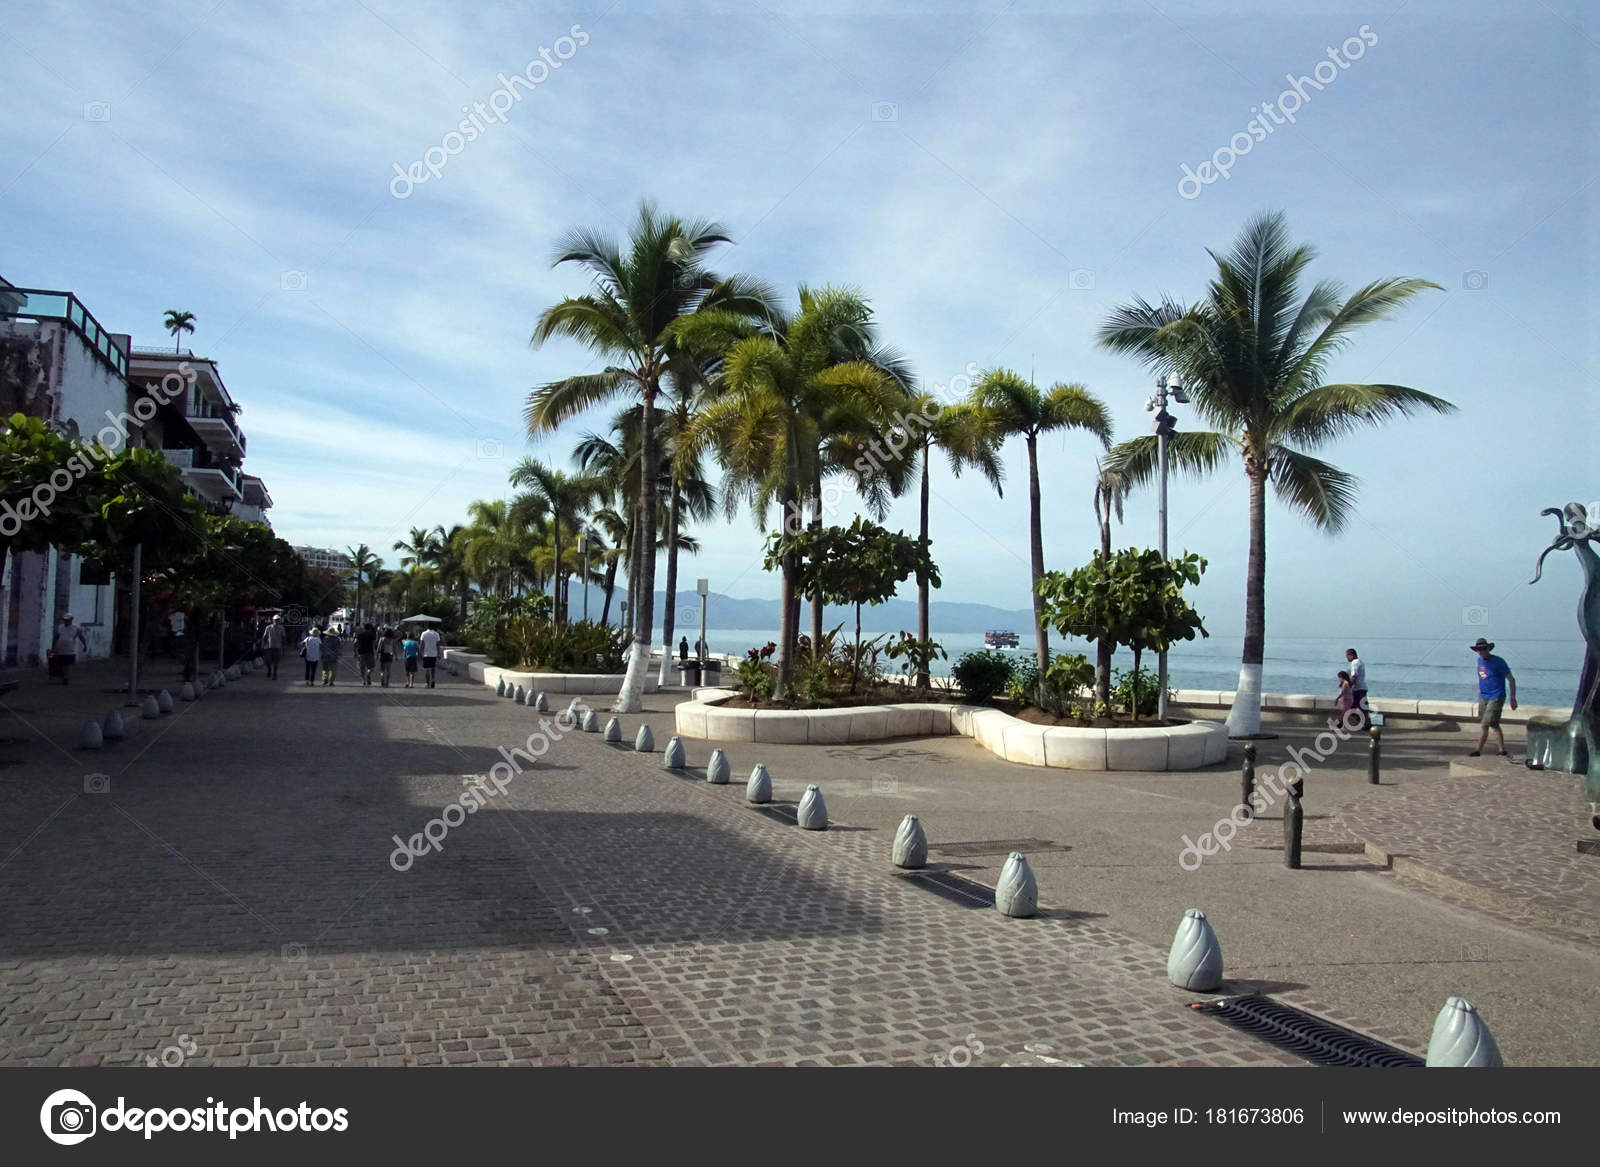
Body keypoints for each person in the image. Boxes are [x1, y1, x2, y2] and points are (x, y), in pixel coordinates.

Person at [1469, 638, 1517, 757]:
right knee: (1493, 724)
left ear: (1488, 648)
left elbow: (1511, 679)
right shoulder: (1479, 661)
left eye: (1483, 649)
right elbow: (1482, 677)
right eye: (1479, 649)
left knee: (1485, 724)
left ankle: (1478, 750)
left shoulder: (1498, 661)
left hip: (1497, 696)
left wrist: (1513, 698)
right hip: (1484, 696)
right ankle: (1502, 750)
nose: (1481, 651)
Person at [49, 615, 89, 684]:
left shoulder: (75, 628)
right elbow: (56, 637)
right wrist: (53, 646)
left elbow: (81, 637)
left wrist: (85, 645)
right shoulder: (60, 627)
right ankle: (63, 676)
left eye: (67, 620)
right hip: (60, 648)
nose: (66, 621)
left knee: (67, 664)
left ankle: (66, 677)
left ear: (71, 620)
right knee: (61, 663)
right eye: (65, 620)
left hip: (70, 649)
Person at [1345, 648, 1368, 728]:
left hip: (1357, 689)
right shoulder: (1361, 662)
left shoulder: (1354, 663)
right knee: (1363, 707)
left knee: (1354, 707)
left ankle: (1357, 723)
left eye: (1347, 656)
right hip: (1363, 687)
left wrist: (1349, 685)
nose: (1347, 658)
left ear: (1351, 655)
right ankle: (1364, 723)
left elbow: (1354, 675)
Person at [263, 615, 286, 679]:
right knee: (268, 660)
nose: (277, 621)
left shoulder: (281, 628)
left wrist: (284, 646)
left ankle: (274, 673)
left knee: (276, 662)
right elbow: (264, 636)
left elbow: (284, 637)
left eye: (278, 620)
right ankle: (269, 669)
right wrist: (263, 645)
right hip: (269, 646)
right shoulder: (268, 627)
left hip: (277, 647)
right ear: (273, 620)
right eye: (275, 620)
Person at [419, 624, 441, 689]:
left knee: (427, 669)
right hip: (434, 654)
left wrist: (420, 652)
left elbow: (421, 644)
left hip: (426, 654)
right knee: (433, 668)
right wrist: (439, 654)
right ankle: (433, 680)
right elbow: (438, 645)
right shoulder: (436, 634)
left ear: (427, 627)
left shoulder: (423, 633)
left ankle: (427, 683)